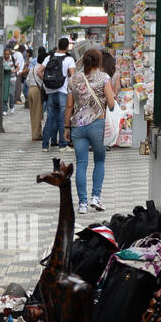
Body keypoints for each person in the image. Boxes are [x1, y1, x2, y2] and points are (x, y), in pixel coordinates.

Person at [65, 47, 116, 214]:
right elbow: (110, 102)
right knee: (99, 161)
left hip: (78, 127)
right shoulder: (104, 78)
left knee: (81, 164)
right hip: (97, 126)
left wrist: (66, 127)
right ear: (99, 61)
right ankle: (96, 197)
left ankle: (82, 204)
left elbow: (69, 106)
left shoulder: (73, 80)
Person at [40, 37, 75, 149]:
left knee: (50, 118)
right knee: (62, 118)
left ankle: (45, 145)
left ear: (58, 45)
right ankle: (62, 144)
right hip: (63, 92)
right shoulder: (69, 59)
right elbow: (73, 77)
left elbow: (39, 71)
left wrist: (46, 81)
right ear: (67, 47)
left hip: (50, 91)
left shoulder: (49, 57)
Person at [27, 50, 44, 140]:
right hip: (37, 90)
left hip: (30, 89)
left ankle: (35, 133)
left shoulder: (32, 68)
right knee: (38, 113)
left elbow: (27, 80)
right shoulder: (42, 69)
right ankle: (36, 135)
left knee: (33, 113)